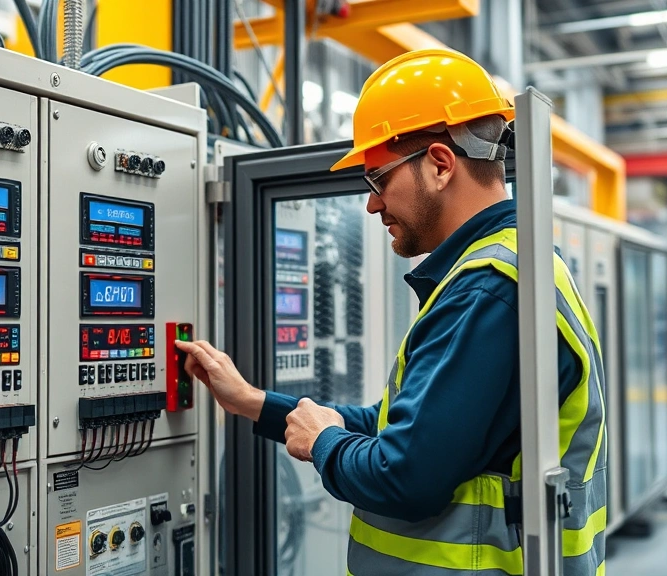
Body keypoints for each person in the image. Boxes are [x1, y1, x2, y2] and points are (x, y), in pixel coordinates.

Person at [176, 49, 607, 576]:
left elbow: (404, 476)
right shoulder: (516, 265)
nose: (372, 204)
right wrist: (253, 402)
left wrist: (324, 445)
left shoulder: (486, 290)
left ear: (441, 164)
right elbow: (397, 428)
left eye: (379, 179)